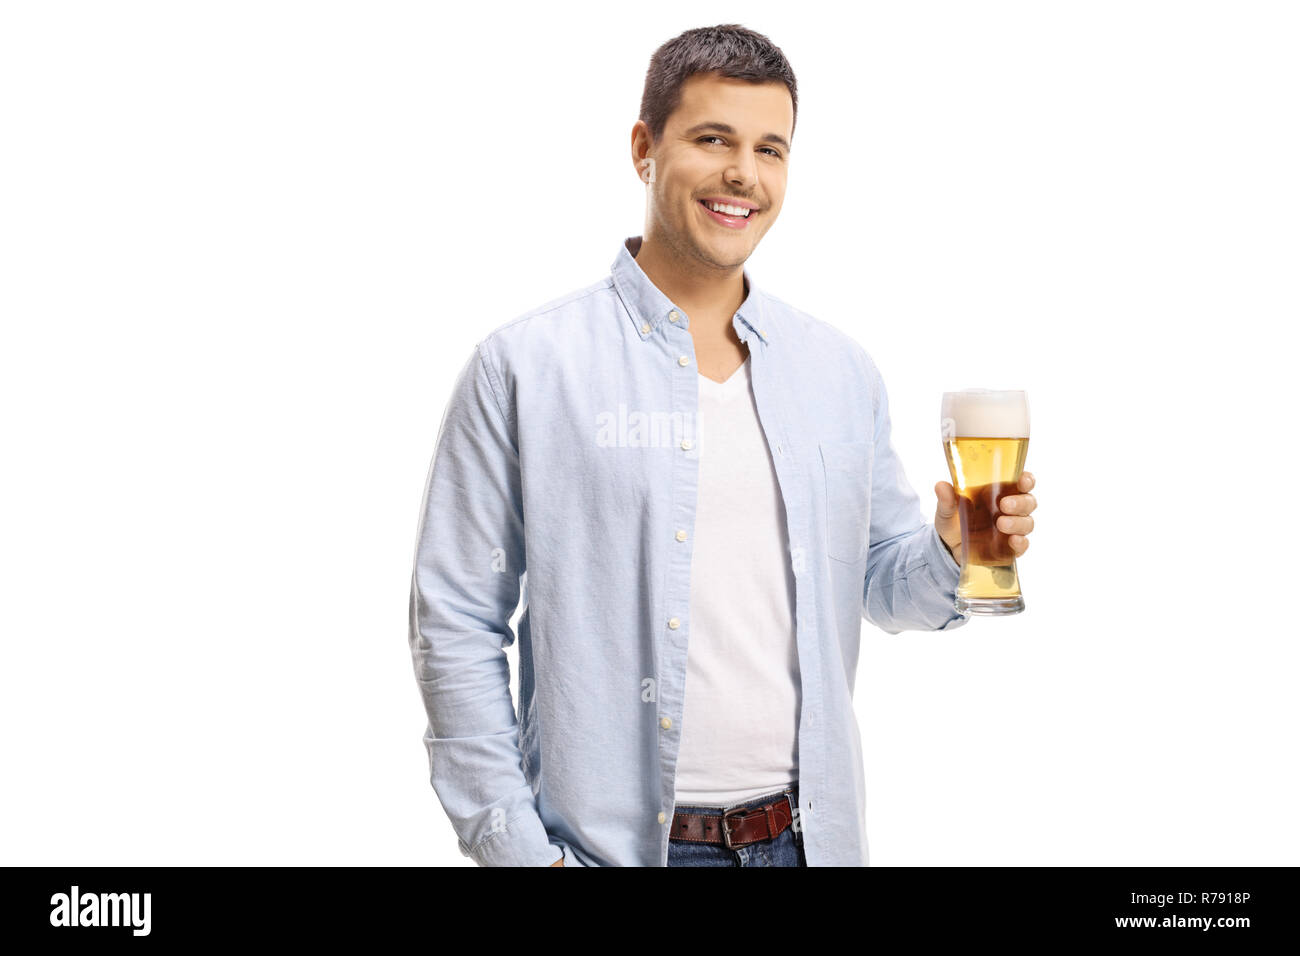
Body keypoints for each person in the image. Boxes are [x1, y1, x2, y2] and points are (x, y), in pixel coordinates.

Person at [407, 23, 1038, 867]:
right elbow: (454, 621)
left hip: (809, 840)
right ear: (644, 147)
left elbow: (886, 588)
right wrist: (519, 854)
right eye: (714, 139)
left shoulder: (838, 371)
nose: (745, 173)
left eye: (770, 149)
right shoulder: (525, 367)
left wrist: (951, 551)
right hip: (615, 851)